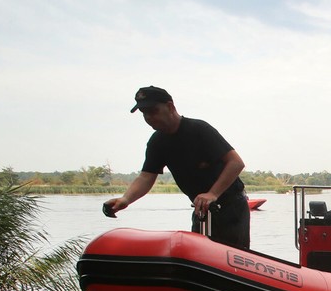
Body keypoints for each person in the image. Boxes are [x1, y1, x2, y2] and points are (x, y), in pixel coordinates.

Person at [104, 86, 250, 249]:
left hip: (231, 207)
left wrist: (212, 193)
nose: (149, 118)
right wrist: (126, 199)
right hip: (200, 209)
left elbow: (236, 163)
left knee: (232, 258)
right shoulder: (157, 142)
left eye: (153, 111)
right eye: (144, 113)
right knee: (199, 256)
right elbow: (146, 177)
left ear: (170, 106)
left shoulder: (199, 130)